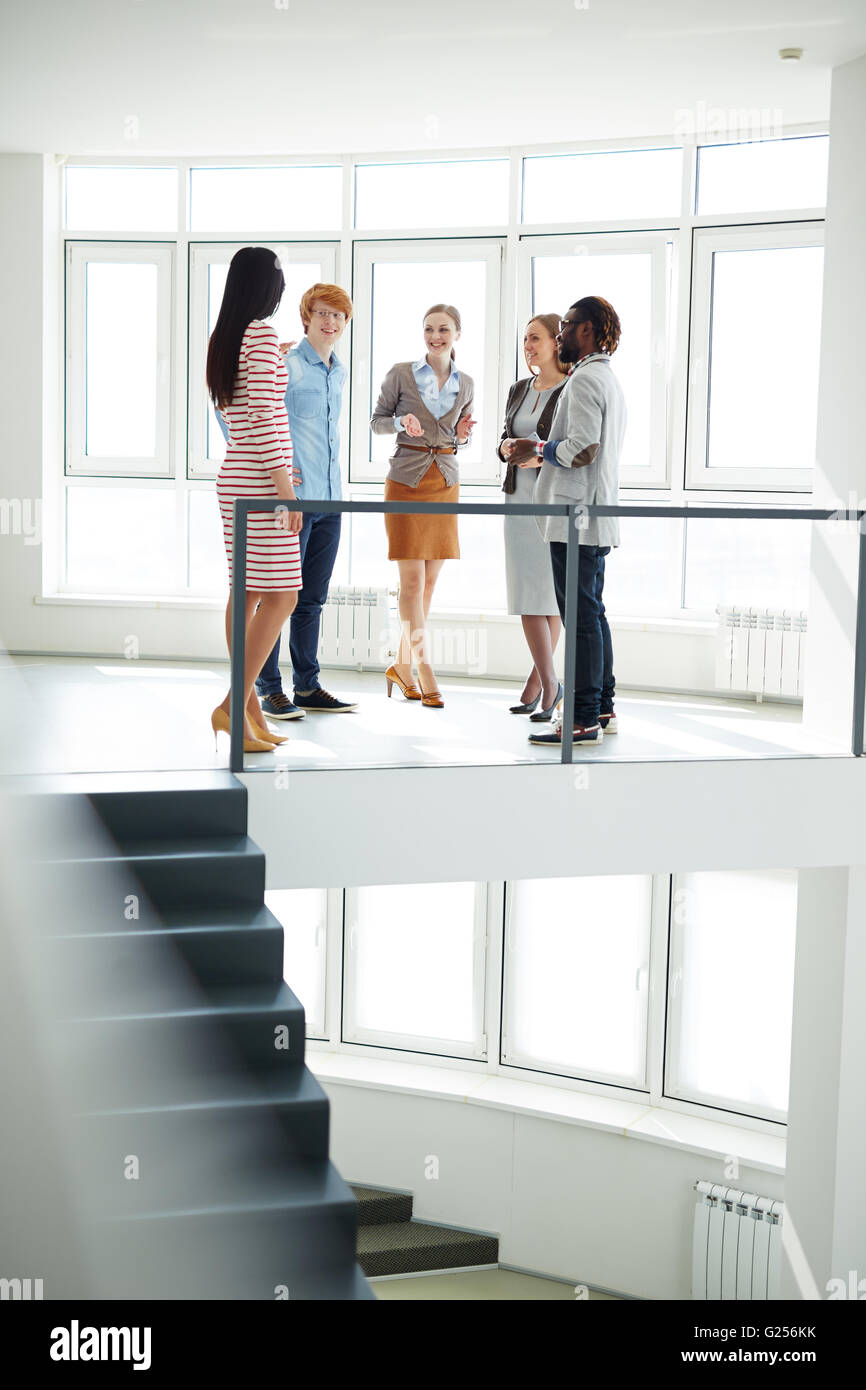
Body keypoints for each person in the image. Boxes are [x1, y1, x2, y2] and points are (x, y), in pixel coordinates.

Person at [218, 282, 356, 717]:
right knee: (273, 593)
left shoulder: (340, 370)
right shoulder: (286, 363)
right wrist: (271, 470)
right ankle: (266, 688)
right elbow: (233, 411)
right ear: (306, 317)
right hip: (289, 498)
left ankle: (307, 686)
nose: (330, 322)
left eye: (338, 316)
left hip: (330, 497)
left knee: (311, 598)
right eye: (322, 314)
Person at [509, 296, 626, 747]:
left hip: (577, 518)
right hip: (594, 515)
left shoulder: (582, 382)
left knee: (580, 618)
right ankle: (601, 706)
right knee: (592, 614)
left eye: (569, 325)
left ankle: (580, 719)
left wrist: (534, 449)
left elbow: (582, 449)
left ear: (589, 331)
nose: (560, 334)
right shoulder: (606, 379)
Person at [207, 246, 303, 753]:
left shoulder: (225, 338)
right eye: (280, 277)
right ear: (266, 285)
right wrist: (285, 488)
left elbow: (240, 413)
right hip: (262, 484)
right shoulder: (260, 335)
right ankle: (232, 704)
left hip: (236, 473)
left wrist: (274, 359)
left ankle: (247, 714)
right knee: (283, 594)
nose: (283, 286)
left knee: (244, 594)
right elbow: (266, 416)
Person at [370, 304, 476, 708]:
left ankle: (400, 665)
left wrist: (462, 433)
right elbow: (377, 420)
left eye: (444, 329)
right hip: (405, 482)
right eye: (430, 329)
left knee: (429, 584)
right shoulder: (401, 373)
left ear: (457, 334)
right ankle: (424, 666)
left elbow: (455, 436)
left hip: (445, 483)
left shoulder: (466, 383)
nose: (436, 336)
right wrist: (401, 423)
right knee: (412, 583)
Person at [499, 314, 568, 722]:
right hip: (517, 499)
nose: (528, 345)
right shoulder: (518, 389)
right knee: (528, 593)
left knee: (548, 595)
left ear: (556, 342)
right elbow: (504, 437)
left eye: (535, 338)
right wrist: (505, 446)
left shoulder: (571, 388)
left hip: (550, 497)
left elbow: (570, 446)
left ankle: (546, 684)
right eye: (525, 338)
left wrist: (538, 452)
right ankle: (542, 682)